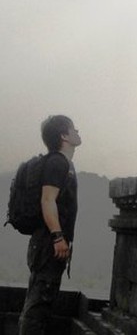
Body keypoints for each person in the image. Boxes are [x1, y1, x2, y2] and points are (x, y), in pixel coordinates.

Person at [18, 115, 81, 335]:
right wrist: (58, 237)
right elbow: (47, 200)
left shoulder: (62, 163)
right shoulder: (57, 162)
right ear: (64, 135)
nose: (78, 133)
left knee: (40, 302)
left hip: (45, 244)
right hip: (48, 244)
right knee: (39, 306)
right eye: (74, 129)